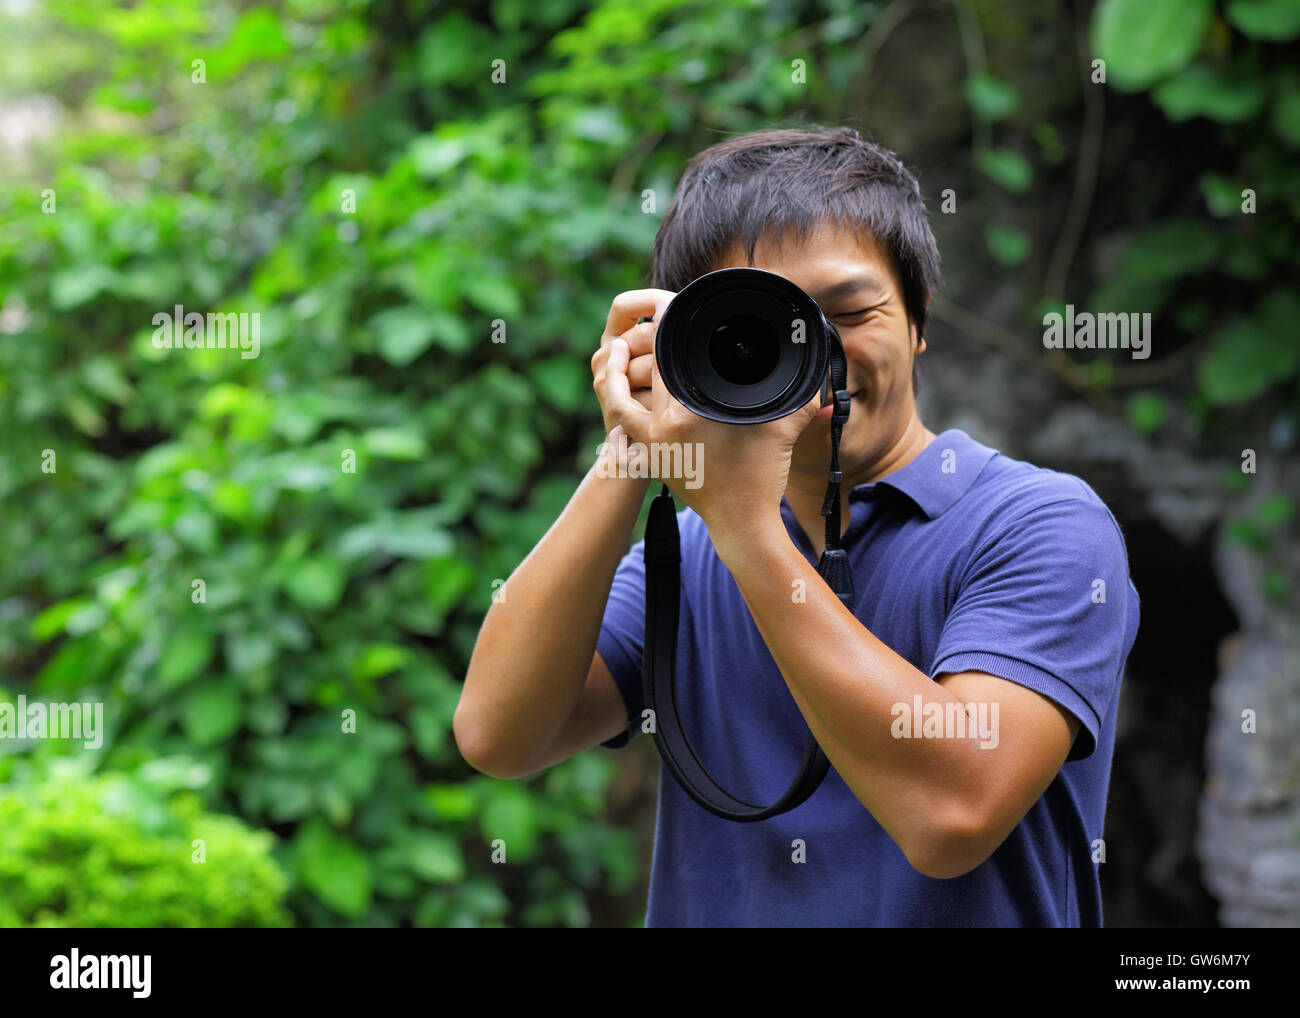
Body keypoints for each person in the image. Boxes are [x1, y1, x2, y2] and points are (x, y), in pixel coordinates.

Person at [454, 125, 1139, 927]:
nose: (811, 356)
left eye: (847, 312)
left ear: (917, 323)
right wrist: (629, 450)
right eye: (754, 334)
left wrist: (745, 526)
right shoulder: (696, 554)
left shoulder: (1039, 527)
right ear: (687, 350)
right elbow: (500, 734)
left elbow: (953, 814)